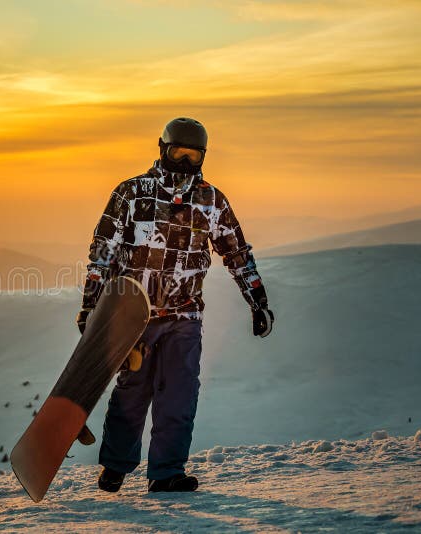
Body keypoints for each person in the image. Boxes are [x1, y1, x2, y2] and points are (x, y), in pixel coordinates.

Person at [77, 117, 274, 493]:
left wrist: (257, 301)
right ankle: (117, 465)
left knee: (180, 394)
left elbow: (237, 253)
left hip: (185, 314)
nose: (185, 162)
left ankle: (166, 473)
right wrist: (91, 307)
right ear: (162, 149)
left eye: (193, 155)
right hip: (135, 315)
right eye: (177, 153)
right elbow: (102, 252)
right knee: (133, 390)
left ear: (203, 156)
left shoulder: (211, 200)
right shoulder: (132, 193)